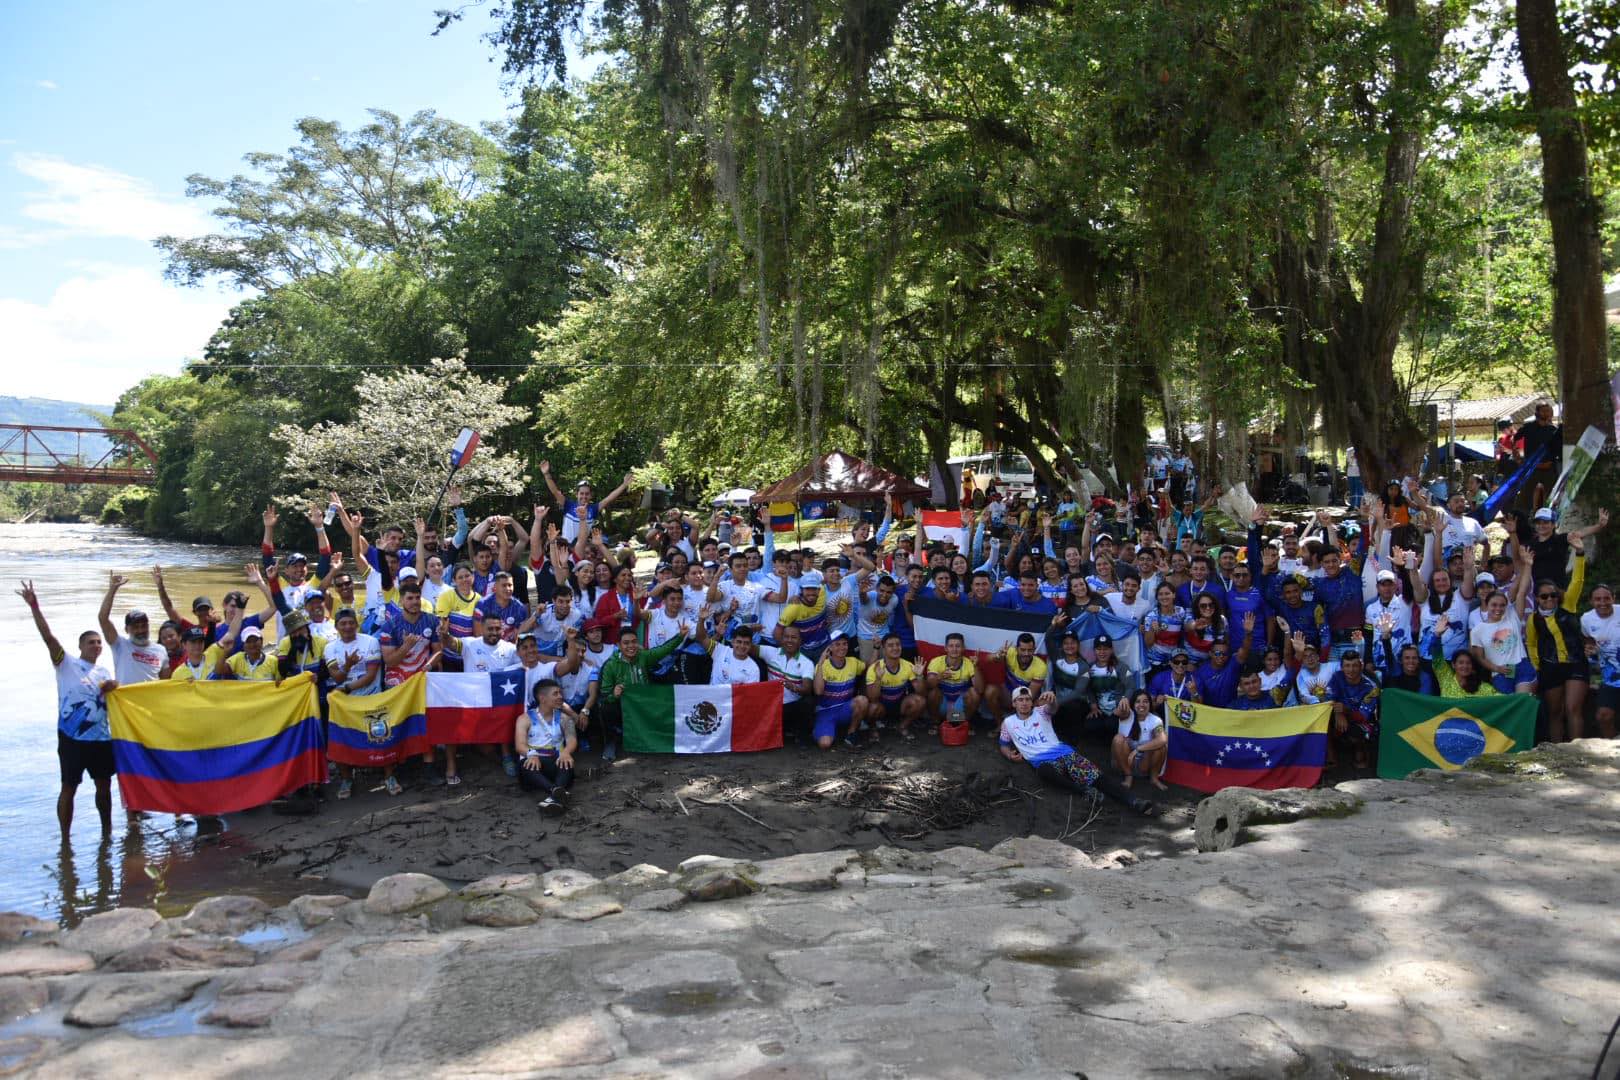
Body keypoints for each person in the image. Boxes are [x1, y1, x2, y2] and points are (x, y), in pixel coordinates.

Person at [21, 581, 117, 838]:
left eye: (99, 643)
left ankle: (106, 832)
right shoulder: (66, 664)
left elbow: (113, 704)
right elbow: (48, 637)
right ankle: (65, 839)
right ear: (81, 646)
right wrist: (34, 606)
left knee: (104, 787)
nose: (96, 646)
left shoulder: (105, 671)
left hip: (100, 738)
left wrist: (114, 688)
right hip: (72, 738)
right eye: (91, 642)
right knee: (68, 788)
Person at [999, 688, 1156, 815]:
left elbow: (1053, 708)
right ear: (1014, 703)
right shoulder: (1008, 723)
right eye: (1020, 700)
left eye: (1027, 699)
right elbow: (1003, 744)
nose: (1024, 703)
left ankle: (1134, 801)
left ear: (1032, 702)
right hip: (1043, 761)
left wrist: (1052, 699)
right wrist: (1008, 754)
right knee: (1044, 771)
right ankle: (1083, 790)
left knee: (1097, 776)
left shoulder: (1040, 712)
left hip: (1064, 753)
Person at [1524, 535, 1589, 741]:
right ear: (1537, 599)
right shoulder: (1534, 619)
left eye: (1552, 595)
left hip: (1576, 663)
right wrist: (1536, 666)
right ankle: (1556, 755)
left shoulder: (1567, 605)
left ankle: (1576, 750)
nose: (1550, 599)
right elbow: (1531, 644)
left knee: (1573, 708)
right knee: (1555, 713)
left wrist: (1579, 554)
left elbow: (1577, 581)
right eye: (1544, 596)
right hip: (1550, 667)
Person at [325, 606, 393, 799]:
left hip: (372, 698)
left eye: (351, 623)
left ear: (357, 624)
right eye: (343, 624)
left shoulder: (370, 642)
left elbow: (371, 676)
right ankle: (347, 779)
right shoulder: (330, 647)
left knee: (382, 738)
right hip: (346, 705)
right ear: (337, 626)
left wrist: (347, 688)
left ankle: (389, 776)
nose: (347, 627)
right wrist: (347, 665)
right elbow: (337, 678)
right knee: (341, 741)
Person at [514, 678, 578, 814]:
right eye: (555, 694)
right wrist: (531, 754)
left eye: (560, 693)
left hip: (556, 760)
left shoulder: (564, 718)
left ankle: (553, 795)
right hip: (534, 762)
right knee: (527, 764)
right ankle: (556, 791)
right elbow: (520, 745)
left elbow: (572, 740)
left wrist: (566, 752)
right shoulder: (524, 718)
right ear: (542, 698)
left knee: (566, 762)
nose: (560, 697)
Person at [538, 460, 634, 542]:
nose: (584, 496)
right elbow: (555, 491)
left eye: (587, 494)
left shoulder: (593, 509)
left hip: (581, 550)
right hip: (565, 548)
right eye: (582, 493)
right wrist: (546, 474)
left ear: (591, 496)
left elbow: (609, 498)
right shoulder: (568, 505)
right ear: (577, 494)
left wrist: (624, 485)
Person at [98, 572, 168, 684]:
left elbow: (166, 684)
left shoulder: (161, 650)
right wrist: (112, 590)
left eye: (144, 626)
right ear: (127, 630)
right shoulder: (119, 645)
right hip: (125, 701)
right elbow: (103, 618)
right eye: (135, 627)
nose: (141, 630)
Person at [758, 626, 816, 745]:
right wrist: (750, 631)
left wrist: (794, 688)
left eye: (794, 637)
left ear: (800, 641)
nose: (789, 640)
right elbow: (748, 648)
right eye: (786, 637)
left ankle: (801, 735)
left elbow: (807, 688)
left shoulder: (806, 663)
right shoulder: (771, 652)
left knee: (808, 701)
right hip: (772, 707)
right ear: (781, 639)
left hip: (792, 709)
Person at [864, 632, 926, 740]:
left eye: (898, 644)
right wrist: (878, 679)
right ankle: (873, 729)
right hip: (882, 707)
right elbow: (872, 698)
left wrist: (920, 676)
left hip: (900, 705)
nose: (895, 648)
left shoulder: (908, 665)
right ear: (883, 649)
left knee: (920, 701)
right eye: (890, 645)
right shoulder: (875, 668)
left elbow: (921, 693)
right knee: (872, 707)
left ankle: (902, 726)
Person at [812, 632, 869, 749]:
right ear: (830, 648)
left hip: (845, 709)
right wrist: (821, 662)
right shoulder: (822, 665)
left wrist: (877, 648)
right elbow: (818, 691)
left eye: (844, 644)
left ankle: (851, 733)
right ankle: (824, 730)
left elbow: (868, 666)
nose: (842, 647)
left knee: (862, 700)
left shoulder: (853, 662)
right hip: (826, 712)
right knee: (824, 744)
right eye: (837, 644)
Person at [1327, 648, 1379, 769]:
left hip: (1364, 722)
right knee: (1324, 721)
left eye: (1354, 666)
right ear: (1342, 667)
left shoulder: (1371, 687)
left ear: (1361, 667)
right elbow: (1329, 699)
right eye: (1347, 666)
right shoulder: (1336, 677)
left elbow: (1362, 717)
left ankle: (1360, 750)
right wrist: (1338, 714)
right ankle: (1331, 757)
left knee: (1357, 733)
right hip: (1341, 715)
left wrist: (1345, 711)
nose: (1351, 670)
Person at [1580, 582, 1620, 739]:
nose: (1602, 603)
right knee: (1603, 716)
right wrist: (1590, 649)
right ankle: (1610, 751)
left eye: (1607, 598)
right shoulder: (1586, 619)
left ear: (1613, 598)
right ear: (1591, 601)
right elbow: (1588, 640)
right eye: (1598, 599)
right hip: (1610, 678)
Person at [925, 632, 984, 735]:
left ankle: (963, 722)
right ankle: (935, 722)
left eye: (958, 646)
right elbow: (928, 685)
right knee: (933, 692)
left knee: (974, 693)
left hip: (958, 708)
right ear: (946, 648)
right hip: (942, 706)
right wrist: (940, 677)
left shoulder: (969, 663)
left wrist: (976, 667)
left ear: (963, 648)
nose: (954, 649)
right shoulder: (936, 661)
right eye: (951, 646)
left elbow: (980, 689)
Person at [1113, 690, 1168, 790]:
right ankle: (1128, 776)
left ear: (1150, 704)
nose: (1141, 705)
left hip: (1144, 764)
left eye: (1145, 701)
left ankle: (1154, 778)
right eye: (1138, 701)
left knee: (1162, 747)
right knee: (1118, 739)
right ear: (1132, 704)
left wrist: (1138, 749)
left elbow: (1163, 739)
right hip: (1125, 762)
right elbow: (1117, 712)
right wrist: (1123, 700)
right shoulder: (1127, 715)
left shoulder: (1155, 720)